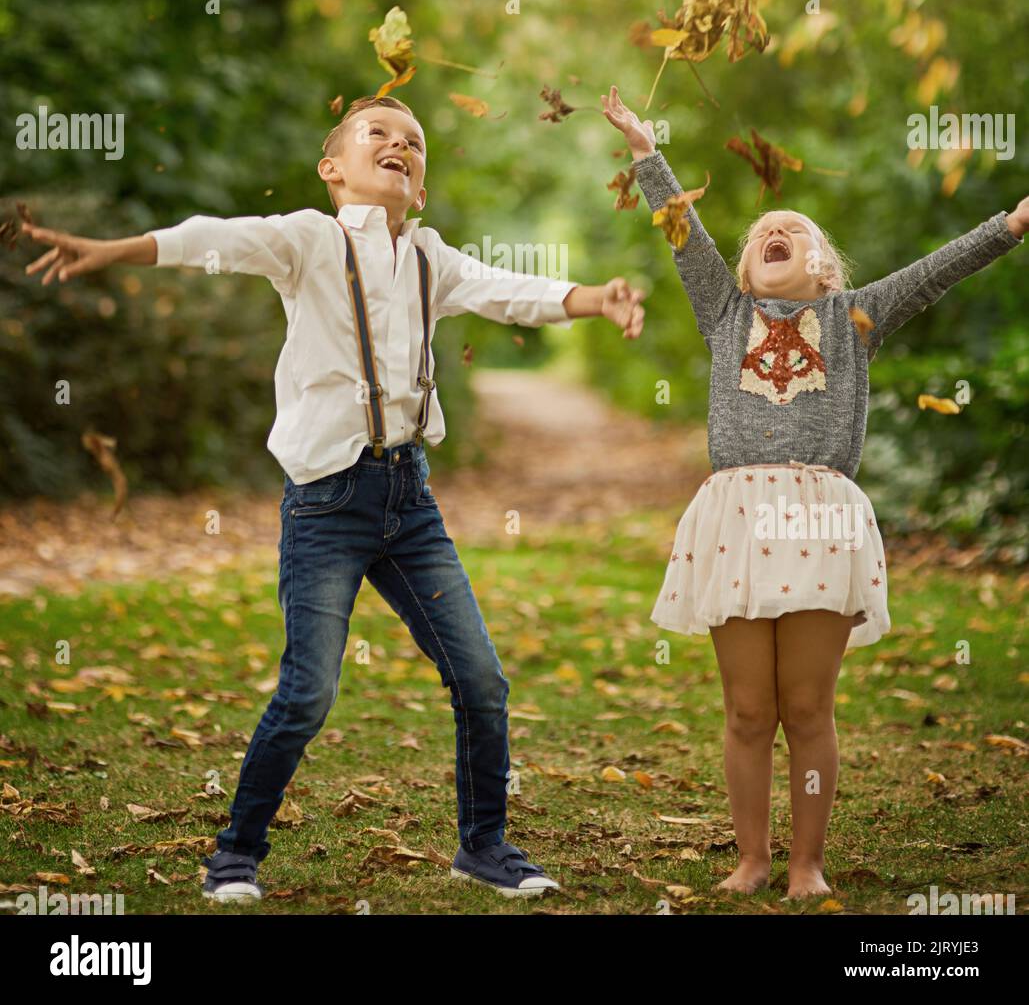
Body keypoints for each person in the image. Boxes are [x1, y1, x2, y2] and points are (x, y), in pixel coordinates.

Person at [23, 94, 646, 902]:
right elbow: (217, 238)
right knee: (309, 689)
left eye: (414, 143)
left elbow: (506, 289)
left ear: (419, 186)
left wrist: (592, 298)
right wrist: (114, 250)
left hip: (409, 503)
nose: (399, 145)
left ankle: (483, 847)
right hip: (325, 503)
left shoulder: (431, 260)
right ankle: (235, 855)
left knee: (481, 679)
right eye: (377, 134)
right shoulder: (308, 241)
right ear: (333, 169)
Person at [602, 83, 1025, 899]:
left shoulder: (854, 320)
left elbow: (937, 270)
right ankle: (753, 858)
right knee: (747, 711)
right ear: (742, 264)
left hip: (820, 520)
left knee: (804, 707)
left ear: (823, 267)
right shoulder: (724, 313)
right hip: (734, 519)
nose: (773, 231)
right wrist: (642, 146)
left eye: (791, 231)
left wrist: (1009, 224)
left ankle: (804, 864)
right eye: (762, 230)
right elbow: (681, 231)